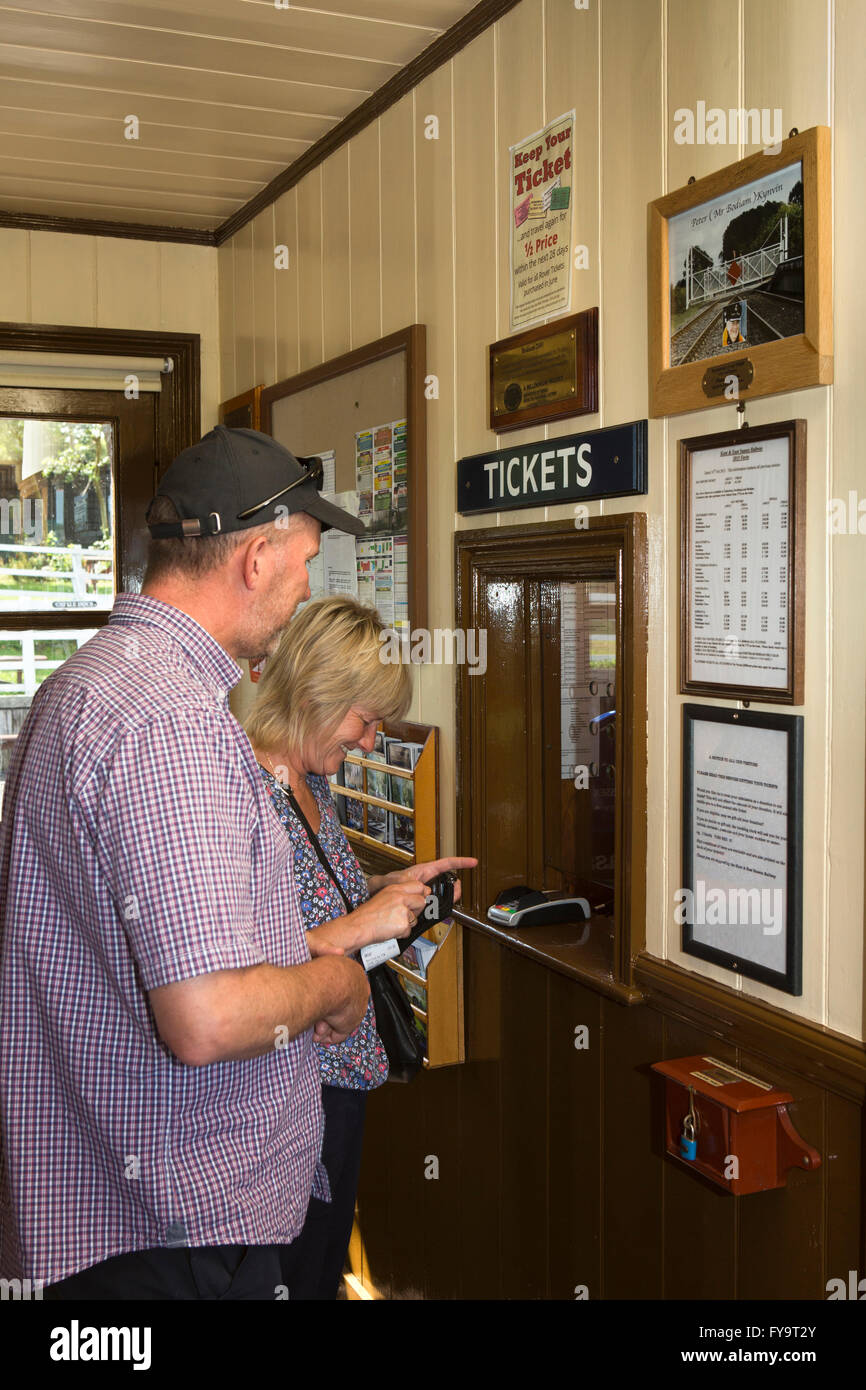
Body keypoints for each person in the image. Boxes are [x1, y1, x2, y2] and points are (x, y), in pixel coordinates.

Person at [0, 426, 373, 1301]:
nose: (303, 593)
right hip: (172, 1232)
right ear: (256, 558)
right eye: (305, 563)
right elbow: (205, 1019)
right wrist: (334, 985)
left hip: (99, 1197)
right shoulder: (172, 724)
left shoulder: (84, 682)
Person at [245, 595, 476, 1299]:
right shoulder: (248, 794)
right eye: (365, 720)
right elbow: (236, 965)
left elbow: (311, 902)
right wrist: (362, 922)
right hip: (285, 1094)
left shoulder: (309, 784)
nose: (372, 743)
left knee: (323, 1264)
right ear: (315, 694)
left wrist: (388, 888)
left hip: (342, 1080)